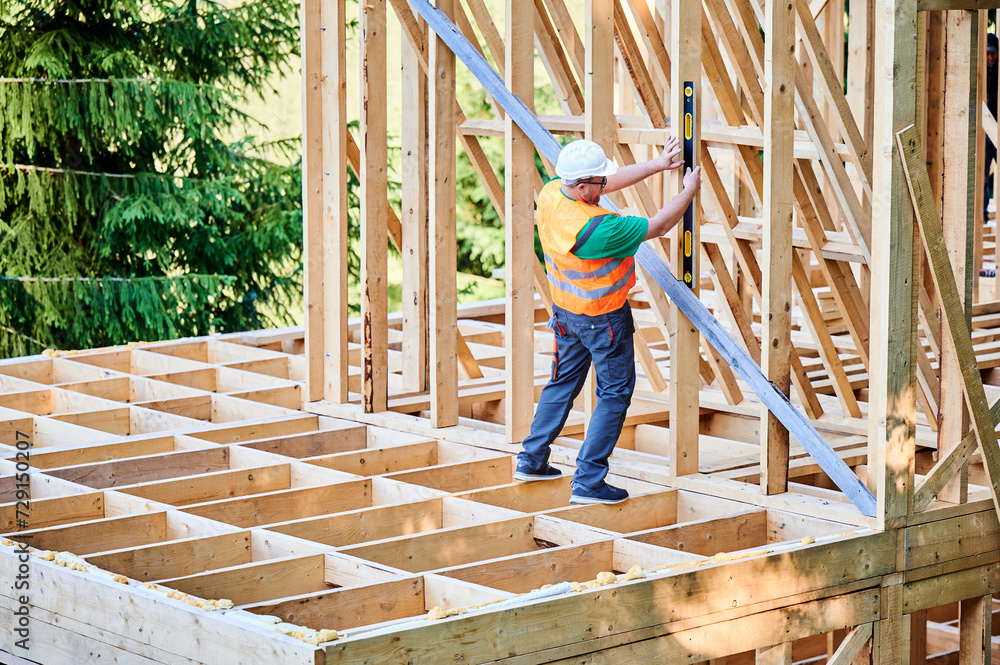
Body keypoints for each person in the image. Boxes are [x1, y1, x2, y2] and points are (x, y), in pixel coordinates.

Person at [514, 138, 702, 505]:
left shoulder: (554, 193)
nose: (606, 185)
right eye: (599, 182)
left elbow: (606, 182)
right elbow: (660, 225)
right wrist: (688, 191)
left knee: (561, 384)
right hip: (604, 320)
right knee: (614, 393)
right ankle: (588, 481)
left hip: (567, 313)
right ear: (584, 187)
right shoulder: (600, 230)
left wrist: (657, 164)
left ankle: (531, 460)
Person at [985, 33, 997, 224]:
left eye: (993, 53)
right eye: (987, 53)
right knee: (982, 174)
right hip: (986, 129)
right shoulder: (980, 71)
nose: (990, 57)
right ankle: (983, 215)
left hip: (997, 126)